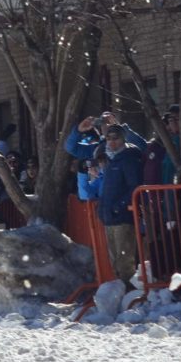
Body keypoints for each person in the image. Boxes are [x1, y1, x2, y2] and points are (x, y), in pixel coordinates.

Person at [65, 116, 148, 283]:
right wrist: (79, 130)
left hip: (123, 216)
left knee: (125, 261)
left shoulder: (129, 157)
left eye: (115, 137)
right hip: (109, 216)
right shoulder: (107, 157)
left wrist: (119, 206)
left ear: (123, 138)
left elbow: (135, 186)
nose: (111, 141)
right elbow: (70, 147)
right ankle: (122, 294)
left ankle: (130, 295)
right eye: (108, 137)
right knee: (115, 261)